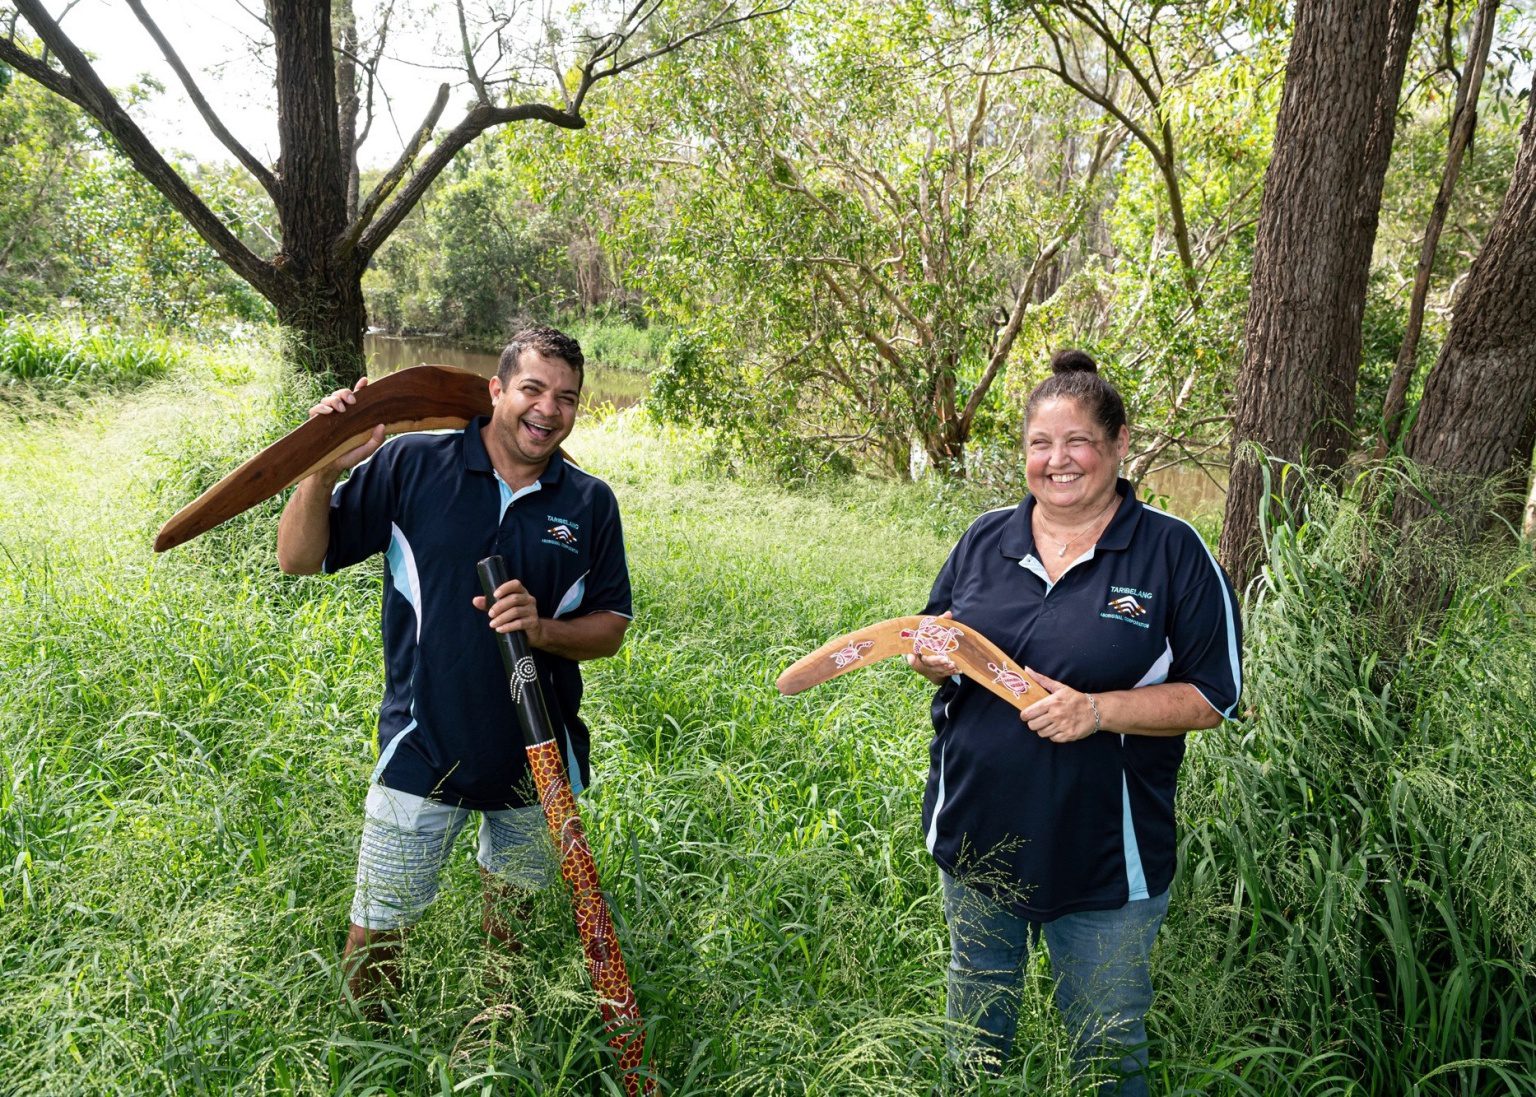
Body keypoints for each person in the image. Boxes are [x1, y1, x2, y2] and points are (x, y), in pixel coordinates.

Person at [907, 349, 1241, 1093]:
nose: (1057, 461)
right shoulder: (986, 537)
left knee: (1107, 1044)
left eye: (1077, 441)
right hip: (977, 835)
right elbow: (936, 632)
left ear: (1120, 444)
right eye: (1039, 444)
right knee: (973, 1030)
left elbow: (1214, 697)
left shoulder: (1172, 553)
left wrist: (1098, 711)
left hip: (1104, 859)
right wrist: (930, 656)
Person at [276, 326, 632, 1011]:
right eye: (532, 388)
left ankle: (490, 1044)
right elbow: (298, 557)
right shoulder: (413, 464)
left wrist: (542, 628)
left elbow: (611, 628)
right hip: (421, 749)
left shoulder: (588, 502)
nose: (548, 409)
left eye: (566, 397)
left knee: (509, 938)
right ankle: (366, 1052)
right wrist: (320, 467)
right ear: (496, 390)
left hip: (538, 757)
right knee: (378, 933)